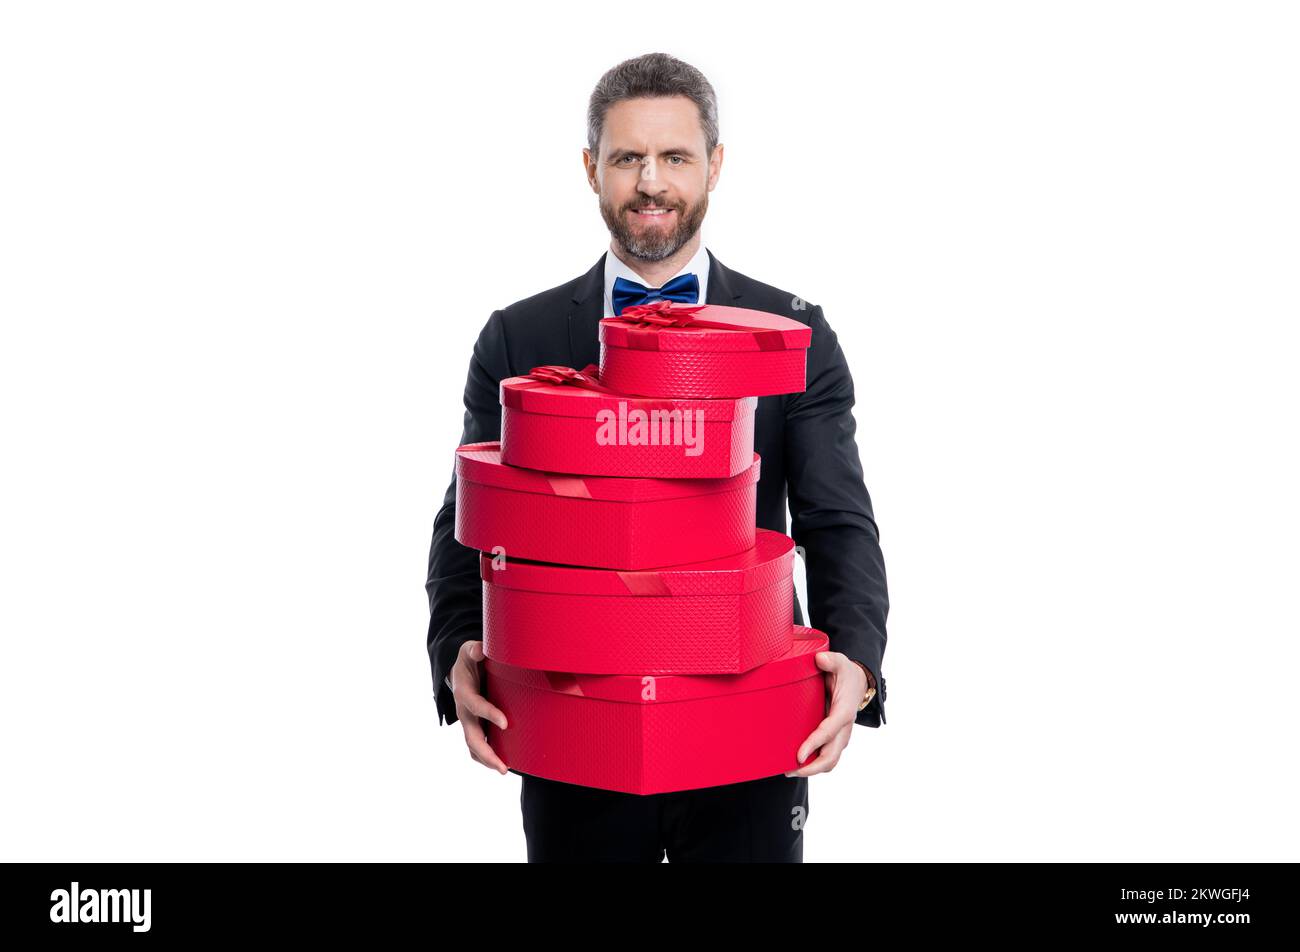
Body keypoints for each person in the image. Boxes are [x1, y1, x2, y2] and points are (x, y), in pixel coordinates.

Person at [425, 52, 888, 862]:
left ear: (714, 164)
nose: (650, 182)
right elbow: (468, 518)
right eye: (626, 157)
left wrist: (857, 658)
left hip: (745, 724)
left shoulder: (791, 334)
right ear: (590, 169)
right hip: (573, 732)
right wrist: (456, 652)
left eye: (674, 156)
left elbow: (837, 519)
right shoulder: (519, 336)